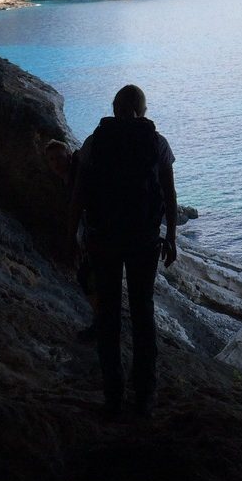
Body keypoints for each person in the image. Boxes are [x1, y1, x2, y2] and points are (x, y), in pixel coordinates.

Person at [70, 85, 178, 419]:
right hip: (144, 240)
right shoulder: (156, 143)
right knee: (143, 313)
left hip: (103, 240)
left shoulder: (94, 142)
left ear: (114, 108)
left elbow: (79, 193)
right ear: (142, 111)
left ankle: (113, 395)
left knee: (108, 316)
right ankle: (144, 395)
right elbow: (169, 194)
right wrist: (170, 236)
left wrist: (71, 235)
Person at [45, 139, 97, 342]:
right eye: (51, 160)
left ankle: (101, 325)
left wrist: (75, 239)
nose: (56, 163)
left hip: (95, 236)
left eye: (59, 157)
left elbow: (81, 209)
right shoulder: (70, 178)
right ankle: (101, 323)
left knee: (89, 278)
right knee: (88, 278)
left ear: (68, 156)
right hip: (91, 235)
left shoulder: (77, 177)